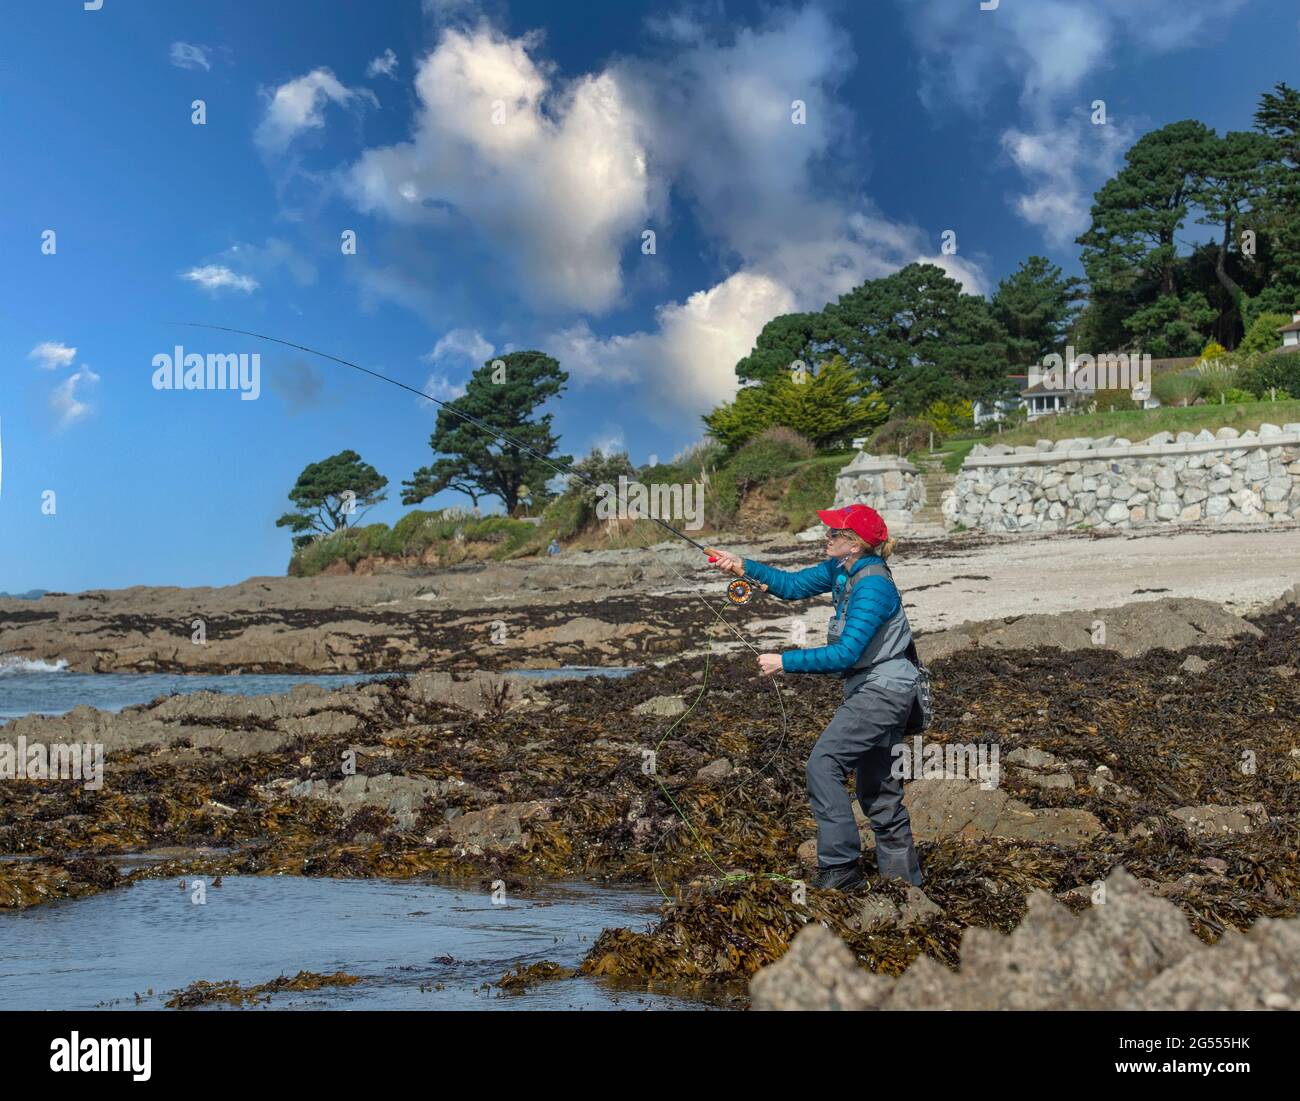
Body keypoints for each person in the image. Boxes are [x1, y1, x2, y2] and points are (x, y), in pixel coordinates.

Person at [708, 503, 924, 891]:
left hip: (884, 693)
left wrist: (784, 661)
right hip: (877, 690)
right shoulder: (841, 570)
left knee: (823, 765)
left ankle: (840, 871)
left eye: (834, 533)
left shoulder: (873, 585)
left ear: (854, 544)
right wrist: (742, 565)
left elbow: (846, 654)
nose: (826, 538)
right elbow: (791, 586)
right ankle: (906, 890)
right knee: (878, 792)